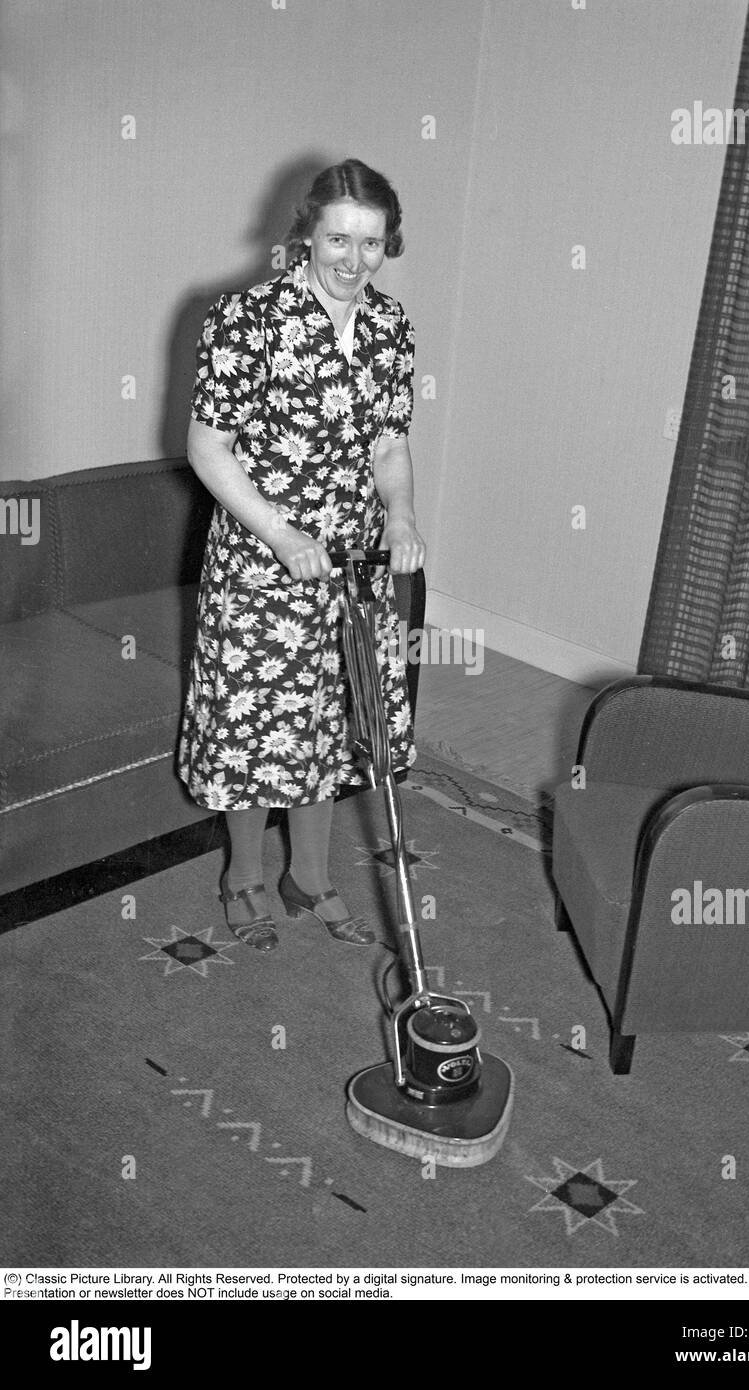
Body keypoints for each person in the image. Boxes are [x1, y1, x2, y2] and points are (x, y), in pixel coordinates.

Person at [177, 158, 425, 952]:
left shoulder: (391, 328)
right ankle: (243, 876)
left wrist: (402, 513)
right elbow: (208, 448)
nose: (354, 260)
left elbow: (390, 443)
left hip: (350, 564)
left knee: (330, 721)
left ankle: (308, 877)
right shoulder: (245, 319)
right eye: (338, 239)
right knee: (259, 728)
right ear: (307, 234)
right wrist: (281, 535)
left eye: (374, 243)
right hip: (261, 561)